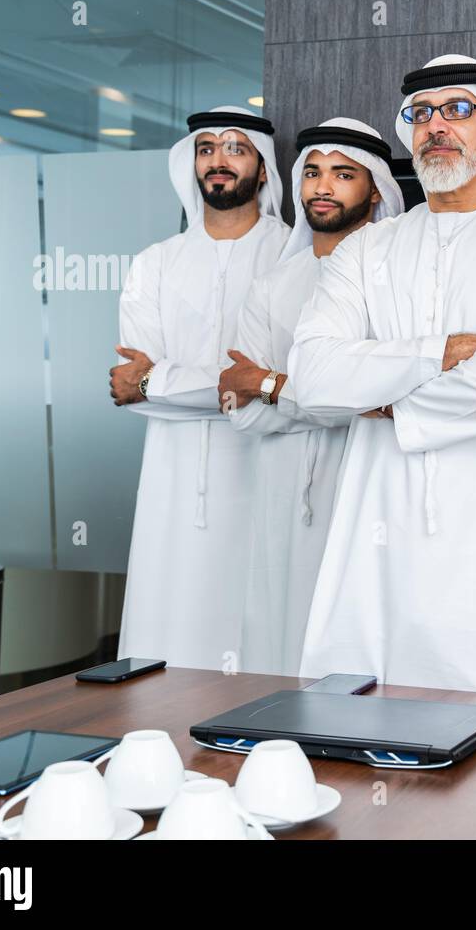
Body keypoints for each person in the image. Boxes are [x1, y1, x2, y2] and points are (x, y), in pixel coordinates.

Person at [286, 55, 476, 699]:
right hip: (379, 554)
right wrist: (440, 351)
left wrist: (386, 400)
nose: (436, 125)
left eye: (459, 110)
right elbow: (313, 377)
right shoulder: (367, 248)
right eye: (422, 113)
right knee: (363, 729)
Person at [220, 118, 403, 676]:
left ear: (375, 189)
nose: (323, 187)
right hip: (282, 493)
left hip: (371, 483)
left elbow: (394, 399)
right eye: (313, 173)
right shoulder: (272, 284)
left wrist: (273, 385)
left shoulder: (399, 279)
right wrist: (338, 398)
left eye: (343, 174)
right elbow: (240, 410)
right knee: (281, 641)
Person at [109, 106, 288, 670]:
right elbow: (131, 388)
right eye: (206, 148)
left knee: (262, 643)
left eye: (236, 147)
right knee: (164, 649)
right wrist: (243, 385)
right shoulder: (155, 263)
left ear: (264, 168)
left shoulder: (294, 255)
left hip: (267, 471)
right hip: (172, 482)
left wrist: (159, 380)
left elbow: (292, 382)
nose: (218, 159)